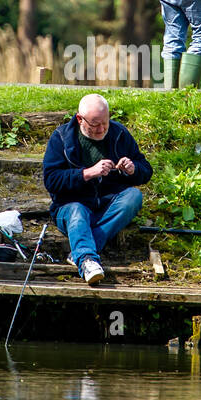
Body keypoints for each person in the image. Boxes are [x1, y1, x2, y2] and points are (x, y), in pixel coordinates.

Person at [42, 94, 152, 285]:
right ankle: (87, 260)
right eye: (94, 124)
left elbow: (146, 170)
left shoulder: (119, 134)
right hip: (70, 207)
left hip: (107, 206)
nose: (101, 129)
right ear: (79, 119)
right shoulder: (61, 138)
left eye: (105, 123)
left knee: (133, 196)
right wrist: (87, 173)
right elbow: (51, 180)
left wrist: (134, 169)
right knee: (77, 210)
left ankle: (83, 247)